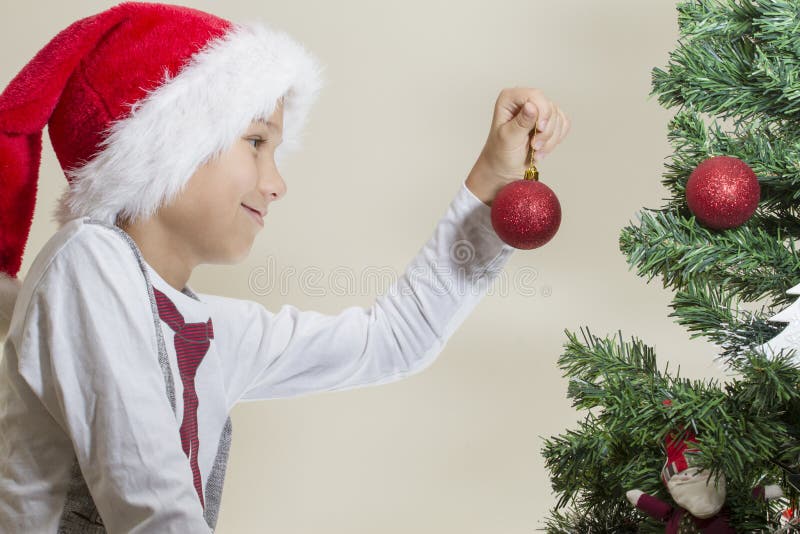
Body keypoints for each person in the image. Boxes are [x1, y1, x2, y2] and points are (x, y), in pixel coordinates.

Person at [0, 2, 570, 532]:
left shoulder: (206, 331)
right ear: (166, 145)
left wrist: (491, 179)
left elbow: (395, 339)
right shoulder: (87, 262)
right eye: (255, 142)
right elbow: (151, 500)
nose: (277, 184)